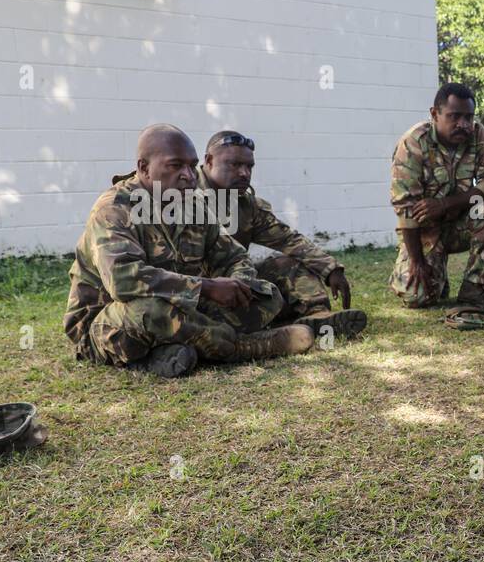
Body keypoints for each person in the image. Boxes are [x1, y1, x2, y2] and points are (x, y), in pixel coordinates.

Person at [64, 124, 313, 378]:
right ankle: (241, 347)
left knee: (266, 294)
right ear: (144, 168)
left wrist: (241, 284)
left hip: (180, 311)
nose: (188, 176)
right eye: (175, 165)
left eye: (192, 166)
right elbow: (122, 280)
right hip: (109, 324)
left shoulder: (192, 203)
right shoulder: (114, 209)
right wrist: (205, 287)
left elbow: (233, 255)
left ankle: (174, 352)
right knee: (152, 310)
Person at [198, 130, 366, 339]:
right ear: (209, 160)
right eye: (234, 165)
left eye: (249, 166)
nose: (244, 173)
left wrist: (330, 269)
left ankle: (317, 316)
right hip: (198, 290)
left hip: (237, 283)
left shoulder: (246, 204)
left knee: (288, 264)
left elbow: (288, 239)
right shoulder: (181, 192)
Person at [389, 82, 484, 310]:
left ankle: (475, 287)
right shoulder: (413, 143)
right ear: (435, 114)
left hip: (461, 222)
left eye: (468, 117)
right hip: (425, 231)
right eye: (454, 116)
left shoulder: (478, 134)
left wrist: (445, 204)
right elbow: (405, 208)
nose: (463, 124)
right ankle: (435, 274)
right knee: (416, 297)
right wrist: (417, 262)